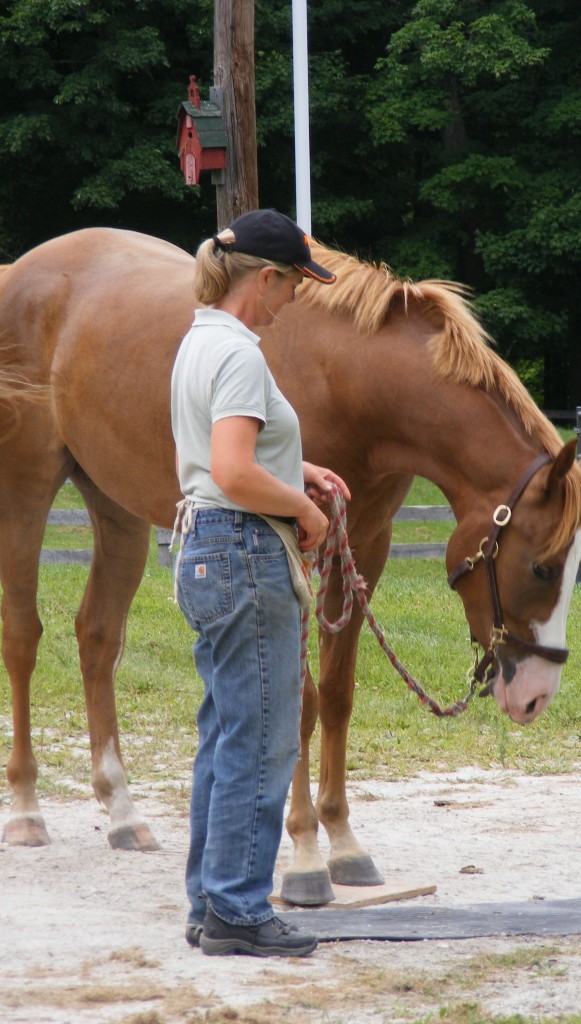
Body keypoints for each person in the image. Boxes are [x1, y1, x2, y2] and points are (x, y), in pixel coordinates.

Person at [171, 208, 350, 958]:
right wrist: (304, 509)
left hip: (204, 546)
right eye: (295, 285)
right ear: (265, 277)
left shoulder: (199, 340)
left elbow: (227, 451)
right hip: (245, 550)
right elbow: (236, 468)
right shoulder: (241, 354)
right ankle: (241, 912)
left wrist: (296, 468)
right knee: (265, 738)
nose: (296, 300)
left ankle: (210, 903)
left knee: (225, 733)